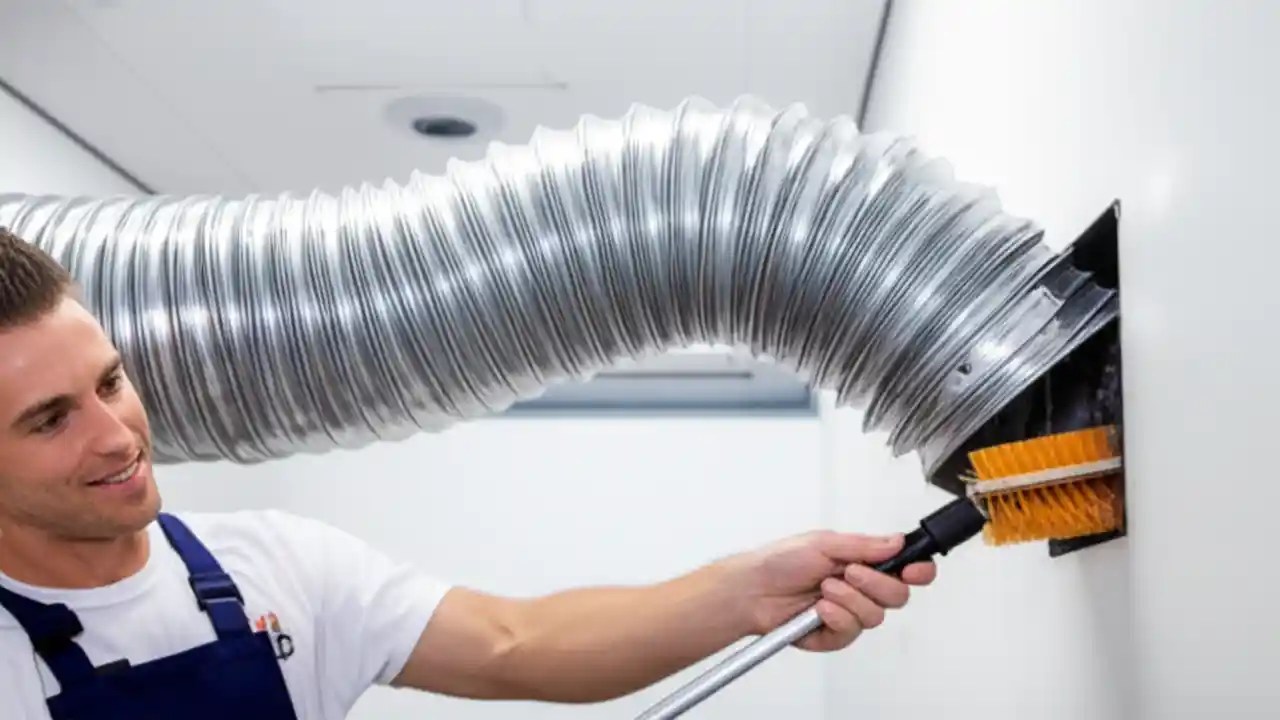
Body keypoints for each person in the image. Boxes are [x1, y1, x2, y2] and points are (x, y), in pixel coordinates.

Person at [0, 226, 937, 719]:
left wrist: (747, 594)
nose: (117, 433)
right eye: (51, 420)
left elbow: (511, 642)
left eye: (112, 381)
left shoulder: (265, 565)